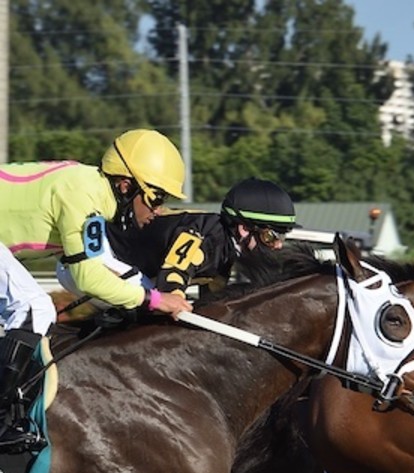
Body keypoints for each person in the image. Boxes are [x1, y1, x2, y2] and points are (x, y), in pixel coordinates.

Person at [0, 129, 193, 449]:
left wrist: (157, 295)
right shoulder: (82, 195)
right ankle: (5, 418)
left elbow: (94, 269)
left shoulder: (91, 193)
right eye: (156, 197)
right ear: (125, 185)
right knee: (34, 307)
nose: (158, 210)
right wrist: (154, 300)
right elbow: (87, 278)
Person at [104, 176, 299, 300]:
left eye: (282, 236)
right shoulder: (203, 241)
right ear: (244, 229)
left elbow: (212, 299)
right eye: (271, 236)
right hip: (109, 256)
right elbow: (170, 286)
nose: (278, 245)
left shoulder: (227, 249)